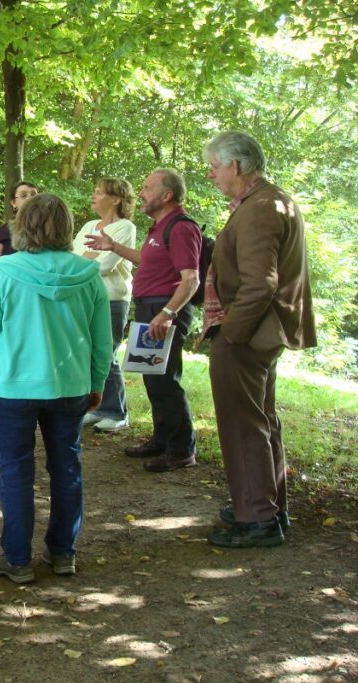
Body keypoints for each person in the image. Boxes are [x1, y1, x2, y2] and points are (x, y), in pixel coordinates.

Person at [0, 193, 111, 583]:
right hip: (70, 387)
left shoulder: (2, 271)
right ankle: (63, 552)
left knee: (15, 472)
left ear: (21, 226)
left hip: (11, 387)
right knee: (67, 468)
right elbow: (102, 341)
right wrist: (96, 384)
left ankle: (17, 559)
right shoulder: (87, 273)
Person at [202, 131, 316, 548]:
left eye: (214, 167)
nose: (212, 175)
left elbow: (260, 284)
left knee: (243, 424)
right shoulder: (270, 200)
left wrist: (231, 334)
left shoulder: (261, 208)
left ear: (235, 166)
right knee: (262, 420)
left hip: (249, 333)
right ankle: (267, 505)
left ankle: (258, 518)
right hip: (263, 331)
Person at [85, 169, 201, 472]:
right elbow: (146, 261)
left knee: (166, 379)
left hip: (165, 310)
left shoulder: (180, 228)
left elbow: (191, 279)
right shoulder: (159, 228)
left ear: (167, 195)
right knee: (152, 376)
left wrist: (168, 313)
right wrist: (114, 247)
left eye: (148, 188)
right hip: (150, 307)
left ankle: (181, 450)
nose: (142, 192)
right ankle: (161, 439)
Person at [73, 178, 137, 433]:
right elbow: (73, 256)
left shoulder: (125, 227)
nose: (94, 196)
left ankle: (117, 411)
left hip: (111, 299)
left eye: (100, 192)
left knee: (106, 354)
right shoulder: (89, 225)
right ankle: (97, 406)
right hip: (84, 297)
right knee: (87, 354)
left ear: (117, 199)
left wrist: (85, 260)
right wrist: (87, 259)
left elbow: (105, 265)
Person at [0, 181, 38, 267]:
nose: (29, 198)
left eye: (33, 195)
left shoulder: (49, 229)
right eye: (23, 195)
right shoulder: (4, 232)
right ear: (13, 203)